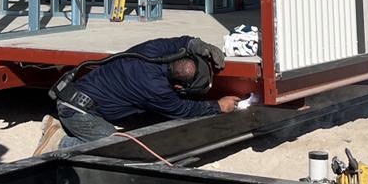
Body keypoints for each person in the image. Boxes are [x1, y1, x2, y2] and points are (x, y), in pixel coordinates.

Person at [34, 36, 238, 154]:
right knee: (117, 148)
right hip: (79, 112)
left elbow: (178, 42)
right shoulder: (156, 90)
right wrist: (218, 106)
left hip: (75, 99)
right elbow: (186, 110)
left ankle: (56, 125)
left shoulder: (152, 50)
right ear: (178, 87)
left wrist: (199, 45)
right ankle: (59, 142)